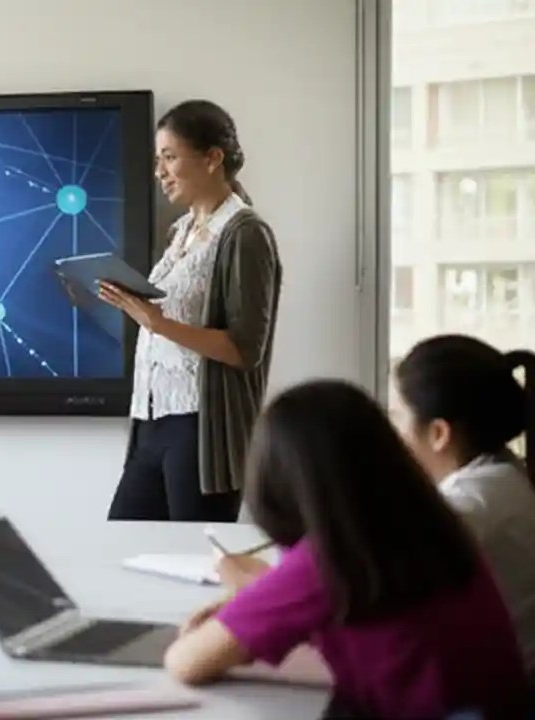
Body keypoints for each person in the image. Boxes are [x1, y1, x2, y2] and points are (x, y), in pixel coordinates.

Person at [164, 380, 527, 718]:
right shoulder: (429, 524)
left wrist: (241, 616)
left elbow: (185, 662)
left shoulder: (329, 559)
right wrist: (252, 603)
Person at [99, 99, 282, 523]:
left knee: (195, 564)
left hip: (202, 430)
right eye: (157, 159)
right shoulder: (180, 231)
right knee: (125, 547)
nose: (159, 172)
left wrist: (158, 322)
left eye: (169, 157)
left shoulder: (245, 233)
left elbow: (244, 349)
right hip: (150, 419)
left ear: (213, 158)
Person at [390, 334, 535, 678]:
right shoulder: (497, 473)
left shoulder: (477, 500)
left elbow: (378, 578)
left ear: (439, 433)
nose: (388, 431)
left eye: (395, 417)